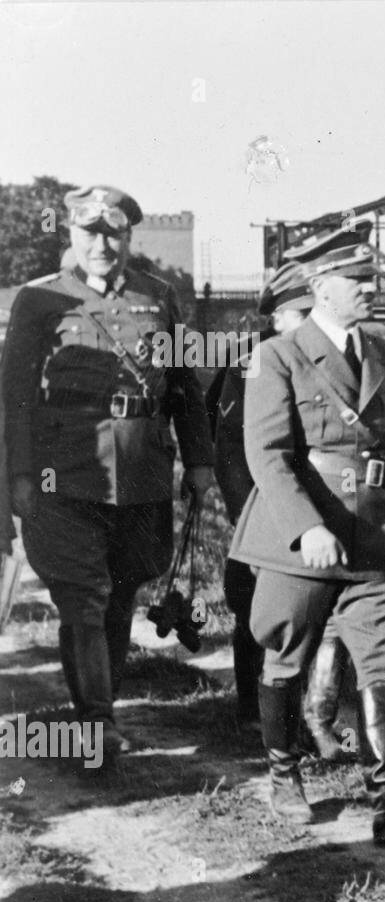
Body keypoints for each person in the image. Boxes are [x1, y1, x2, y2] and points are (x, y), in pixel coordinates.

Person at [227, 220, 385, 843]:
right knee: (286, 653)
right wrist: (305, 527)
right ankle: (284, 778)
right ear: (322, 288)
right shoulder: (279, 355)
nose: (369, 287)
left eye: (370, 276)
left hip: (375, 536)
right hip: (302, 538)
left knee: (382, 662)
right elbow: (268, 454)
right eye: (357, 279)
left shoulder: (383, 352)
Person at [1, 185, 214, 755]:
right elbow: (16, 397)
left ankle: (103, 711)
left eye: (112, 232)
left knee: (120, 592)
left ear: (127, 236)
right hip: (64, 472)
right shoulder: (39, 300)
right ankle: (97, 723)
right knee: (83, 595)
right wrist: (19, 476)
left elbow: (186, 387)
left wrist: (198, 459)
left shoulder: (159, 296)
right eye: (89, 232)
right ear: (71, 235)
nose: (100, 244)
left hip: (142, 468)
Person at [206, 262, 350, 752]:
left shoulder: (337, 357)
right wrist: (259, 515)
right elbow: (231, 450)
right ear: (276, 317)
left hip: (328, 509)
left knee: (333, 614)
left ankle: (319, 719)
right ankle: (255, 714)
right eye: (302, 312)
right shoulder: (253, 362)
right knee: (258, 609)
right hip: (266, 507)